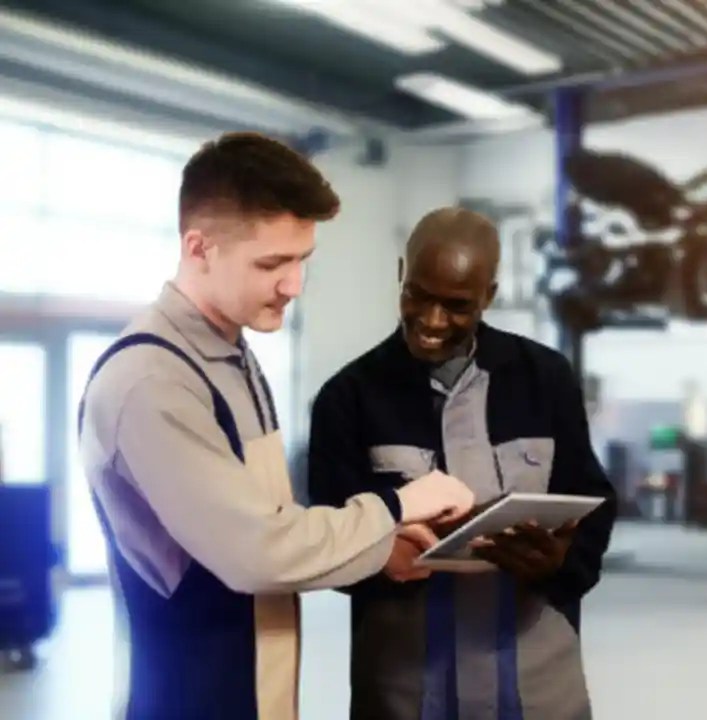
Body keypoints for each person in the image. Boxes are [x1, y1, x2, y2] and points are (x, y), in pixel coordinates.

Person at [76, 132, 476, 720]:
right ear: (199, 247)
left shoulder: (232, 356)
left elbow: (267, 525)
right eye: (272, 263)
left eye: (301, 261)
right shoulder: (152, 381)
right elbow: (256, 553)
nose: (294, 285)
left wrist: (376, 549)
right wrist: (398, 505)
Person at [308, 207, 618, 720]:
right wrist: (383, 552)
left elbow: (592, 502)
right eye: (418, 296)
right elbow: (328, 540)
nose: (431, 321)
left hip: (539, 687)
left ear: (488, 298)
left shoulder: (546, 379)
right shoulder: (348, 398)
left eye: (456, 305)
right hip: (403, 690)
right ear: (400, 274)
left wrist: (560, 559)